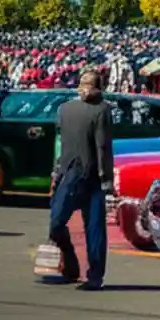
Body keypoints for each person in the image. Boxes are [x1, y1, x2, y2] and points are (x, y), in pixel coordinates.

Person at [47, 69, 115, 290]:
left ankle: (93, 275)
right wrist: (57, 172)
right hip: (74, 172)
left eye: (89, 84)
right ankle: (73, 266)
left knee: (92, 228)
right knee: (60, 223)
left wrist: (106, 179)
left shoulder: (100, 109)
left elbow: (102, 146)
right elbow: (100, 147)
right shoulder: (67, 109)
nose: (86, 89)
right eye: (85, 84)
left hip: (89, 175)